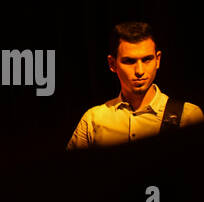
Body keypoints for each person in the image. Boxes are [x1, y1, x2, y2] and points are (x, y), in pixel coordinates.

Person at [67, 21, 202, 149]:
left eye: (147, 59)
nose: (140, 71)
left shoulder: (188, 116)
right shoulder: (93, 120)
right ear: (112, 64)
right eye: (129, 61)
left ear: (158, 60)